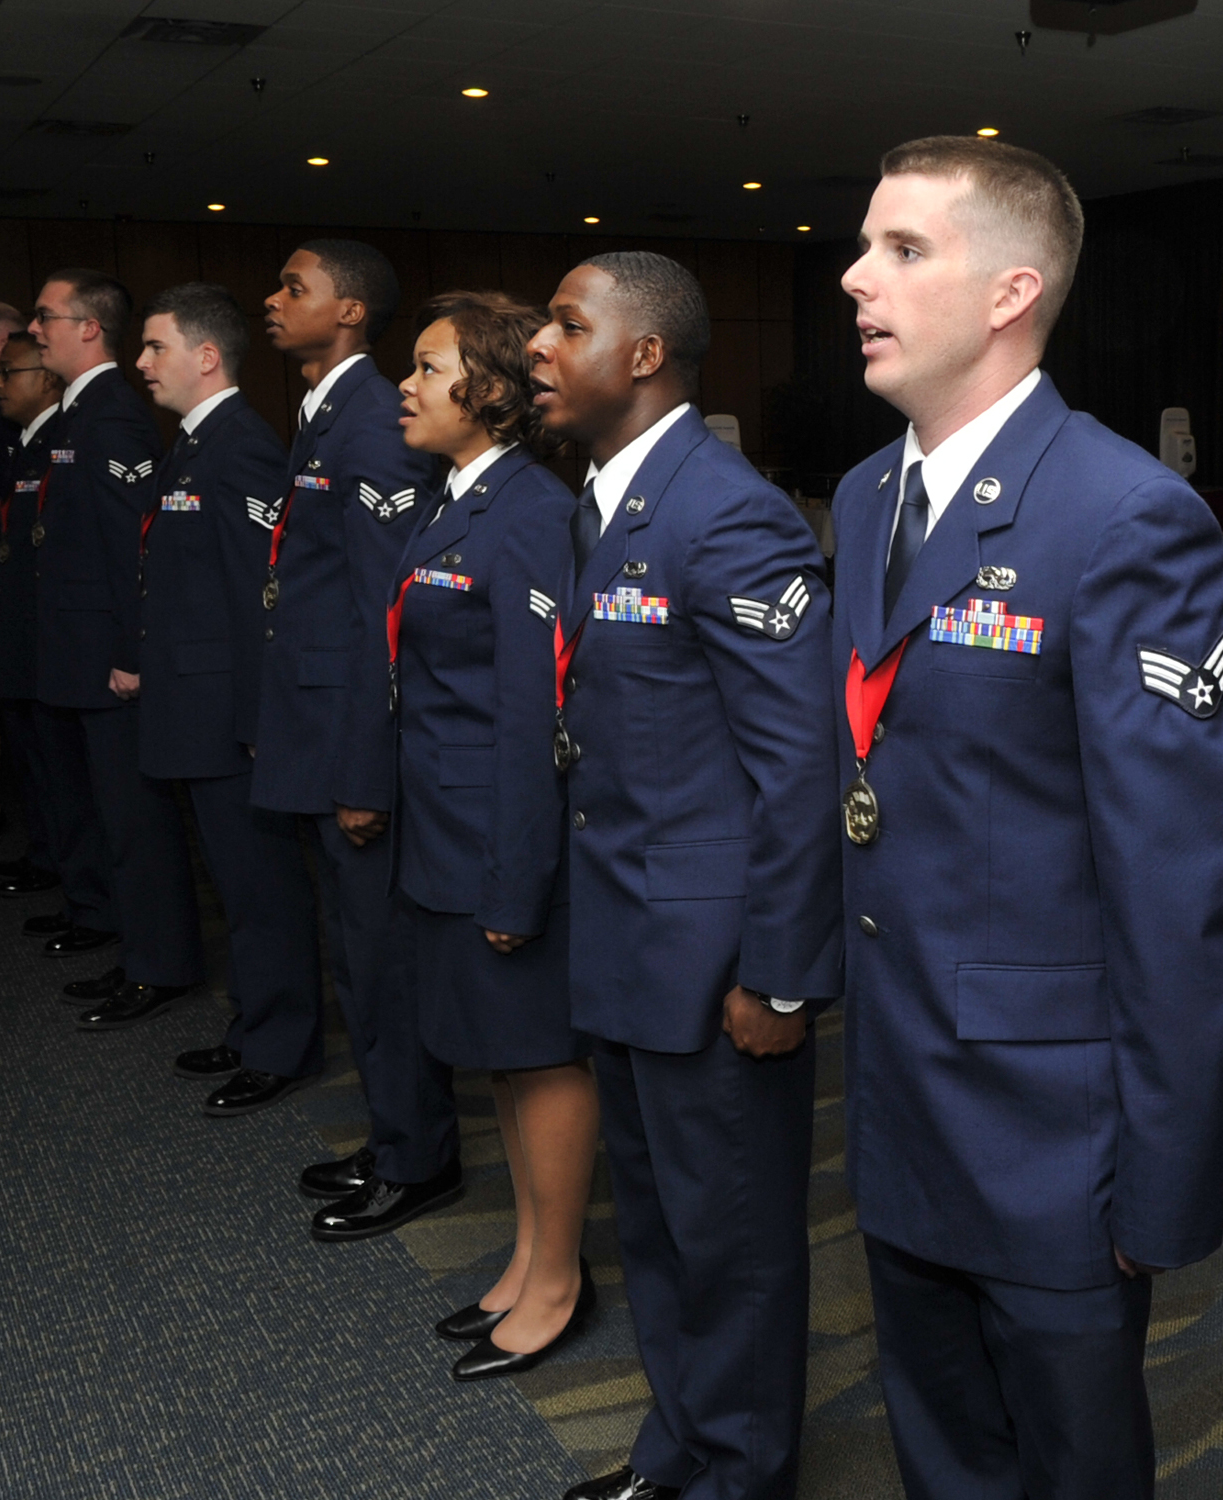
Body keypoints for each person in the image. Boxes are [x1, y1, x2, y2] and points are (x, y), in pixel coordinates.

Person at [833, 136, 1223, 1499]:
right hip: (900, 1084)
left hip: (1050, 1123)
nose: (856, 278)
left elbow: (1180, 878)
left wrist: (1165, 1173)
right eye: (865, 246)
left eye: (904, 251)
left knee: (1073, 1464)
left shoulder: (1126, 514)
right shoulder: (861, 498)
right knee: (941, 1451)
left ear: (1013, 292)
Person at [527, 250, 840, 1500]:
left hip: (719, 969)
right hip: (626, 942)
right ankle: (682, 1453)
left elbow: (801, 767)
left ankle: (742, 1475)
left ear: (644, 356)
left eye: (564, 325)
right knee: (657, 1232)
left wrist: (781, 973)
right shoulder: (608, 505)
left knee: (736, 1249)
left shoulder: (731, 512)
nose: (537, 349)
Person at [383, 290, 596, 1381]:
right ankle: (527, 1254)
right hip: (449, 831)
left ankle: (558, 1278)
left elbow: (535, 714)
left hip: (502, 842)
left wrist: (519, 885)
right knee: (502, 1063)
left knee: (540, 1057)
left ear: (497, 393)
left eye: (426, 368)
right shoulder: (452, 498)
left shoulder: (527, 513)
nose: (405, 388)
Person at [250, 240, 461, 1238]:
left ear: (348, 313)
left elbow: (387, 611)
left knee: (380, 961)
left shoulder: (374, 426)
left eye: (295, 287)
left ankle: (418, 1157)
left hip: (354, 742)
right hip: (318, 725)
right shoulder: (327, 418)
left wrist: (367, 768)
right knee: (358, 955)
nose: (273, 300)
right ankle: (391, 1138)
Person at [132, 282, 324, 1112]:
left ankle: (281, 1046)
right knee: (237, 887)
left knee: (261, 889)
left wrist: (258, 721)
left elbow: (261, 598)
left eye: (154, 348)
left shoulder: (240, 445)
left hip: (230, 717)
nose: (141, 364)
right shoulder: (191, 447)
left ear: (206, 357)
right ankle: (254, 1024)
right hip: (197, 709)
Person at [27, 269, 205, 1021]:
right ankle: (137, 949)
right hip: (81, 657)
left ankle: (159, 964)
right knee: (110, 818)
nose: (34, 332)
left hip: (112, 663)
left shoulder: (112, 419)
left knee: (136, 824)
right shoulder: (78, 416)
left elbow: (135, 548)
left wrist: (133, 651)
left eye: (45, 317)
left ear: (88, 327)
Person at [0, 330, 72, 909]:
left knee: (60, 773)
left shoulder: (60, 442)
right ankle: (53, 861)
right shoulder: (23, 444)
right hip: (22, 634)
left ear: (46, 378)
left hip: (49, 638)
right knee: (34, 765)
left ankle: (76, 880)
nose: (0, 385)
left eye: (9, 373)